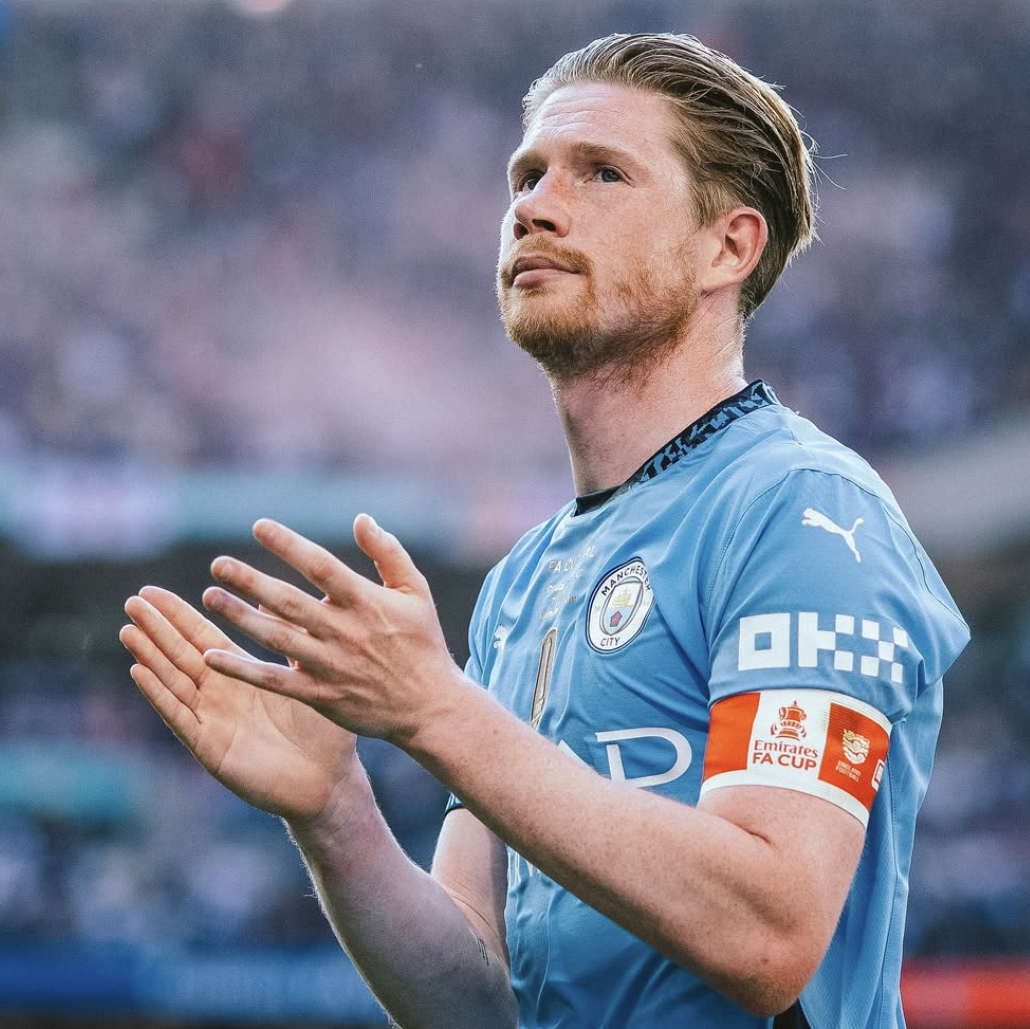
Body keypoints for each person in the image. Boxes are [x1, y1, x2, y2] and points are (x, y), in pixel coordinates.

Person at [120, 32, 970, 1029]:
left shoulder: (802, 509)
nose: (534, 206)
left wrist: (437, 714)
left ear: (727, 248)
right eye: (527, 175)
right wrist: (336, 813)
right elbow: (478, 1004)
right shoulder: (524, 580)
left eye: (601, 172)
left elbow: (767, 932)